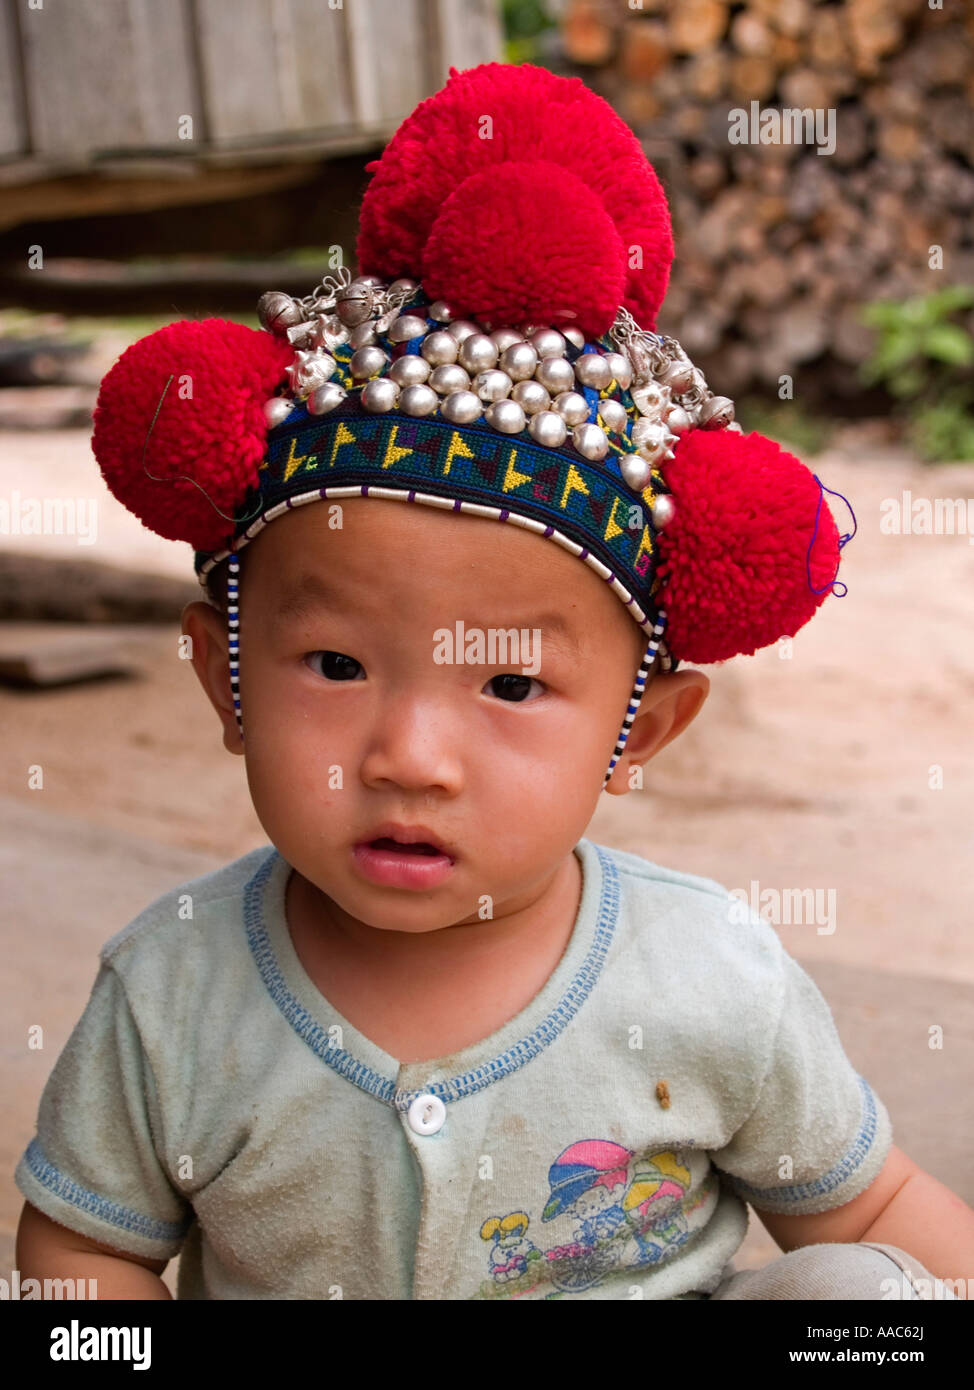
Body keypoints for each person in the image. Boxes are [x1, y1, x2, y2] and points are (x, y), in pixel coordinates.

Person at [14, 62, 973, 1301]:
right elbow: (87, 1252)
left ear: (645, 728)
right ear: (223, 674)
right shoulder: (171, 991)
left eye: (511, 686)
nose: (411, 752)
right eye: (338, 664)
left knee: (861, 1298)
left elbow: (876, 1200)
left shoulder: (707, 977)